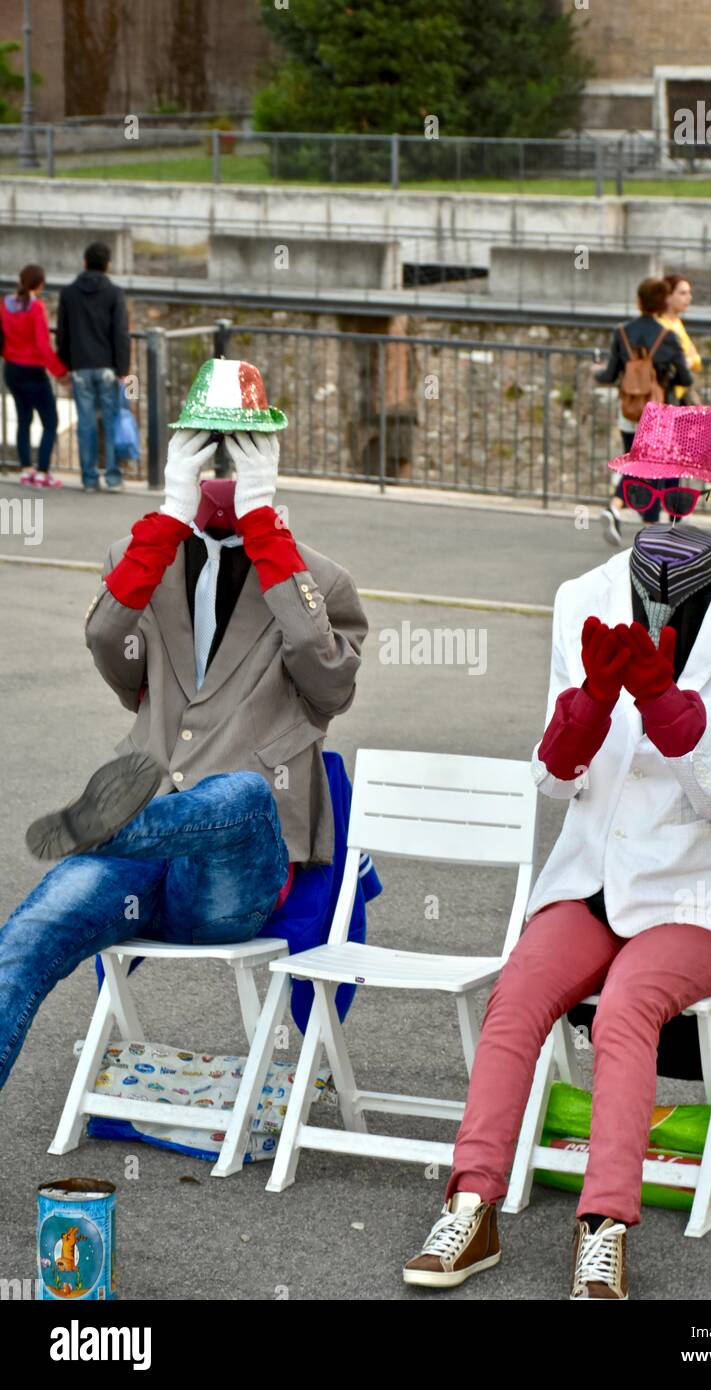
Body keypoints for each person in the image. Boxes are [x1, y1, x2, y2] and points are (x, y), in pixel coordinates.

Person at [403, 403, 711, 1300]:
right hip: (594, 875)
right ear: (626, 492)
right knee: (518, 994)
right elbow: (556, 780)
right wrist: (586, 706)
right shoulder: (579, 599)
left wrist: (671, 711)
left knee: (626, 1004)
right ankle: (472, 1207)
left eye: (674, 491)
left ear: (704, 493)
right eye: (641, 490)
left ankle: (604, 1228)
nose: (658, 511)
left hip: (703, 896)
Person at [0, 358, 367, 1095]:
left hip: (231, 879)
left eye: (238, 451)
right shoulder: (140, 560)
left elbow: (329, 682)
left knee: (240, 794)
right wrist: (167, 518)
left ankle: (107, 823)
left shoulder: (316, 582)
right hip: (134, 874)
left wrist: (264, 527)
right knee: (24, 944)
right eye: (208, 447)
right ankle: (117, 831)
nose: (222, 468)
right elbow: (113, 653)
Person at [595, 277, 692, 548]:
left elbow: (609, 374)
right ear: (663, 303)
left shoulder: (622, 332)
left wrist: (596, 372)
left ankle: (636, 520)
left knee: (637, 465)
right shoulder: (669, 337)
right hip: (658, 413)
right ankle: (619, 509)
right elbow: (686, 377)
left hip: (629, 411)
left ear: (639, 301)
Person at [56, 241, 130, 493]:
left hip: (80, 367)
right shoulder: (115, 293)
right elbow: (121, 333)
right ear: (107, 265)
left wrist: (65, 365)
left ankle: (89, 479)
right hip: (108, 367)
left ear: (85, 262)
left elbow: (62, 333)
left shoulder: (68, 293)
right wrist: (123, 369)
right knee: (111, 422)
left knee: (85, 424)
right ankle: (112, 477)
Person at [0, 264, 67, 486]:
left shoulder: (5, 305)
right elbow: (42, 346)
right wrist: (59, 371)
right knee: (50, 422)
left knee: (23, 420)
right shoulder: (36, 307)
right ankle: (43, 472)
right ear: (40, 285)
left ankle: (26, 469)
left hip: (11, 369)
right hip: (33, 372)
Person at [657, 275, 702, 403]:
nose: (689, 297)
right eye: (682, 293)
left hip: (681, 391)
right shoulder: (661, 326)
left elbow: (696, 359)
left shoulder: (677, 323)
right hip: (668, 393)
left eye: (689, 293)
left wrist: (690, 361)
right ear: (668, 296)